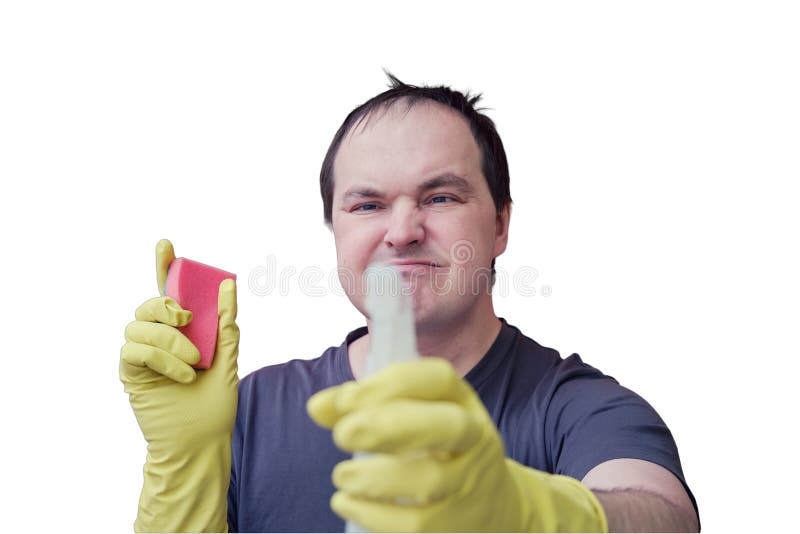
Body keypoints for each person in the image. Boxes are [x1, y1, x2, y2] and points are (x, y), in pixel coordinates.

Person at [121, 73, 700, 532]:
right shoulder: (248, 412)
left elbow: (663, 517)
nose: (402, 231)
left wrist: (522, 514)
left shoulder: (578, 408)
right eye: (367, 206)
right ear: (335, 232)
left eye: (441, 196)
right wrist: (185, 465)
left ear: (500, 224)